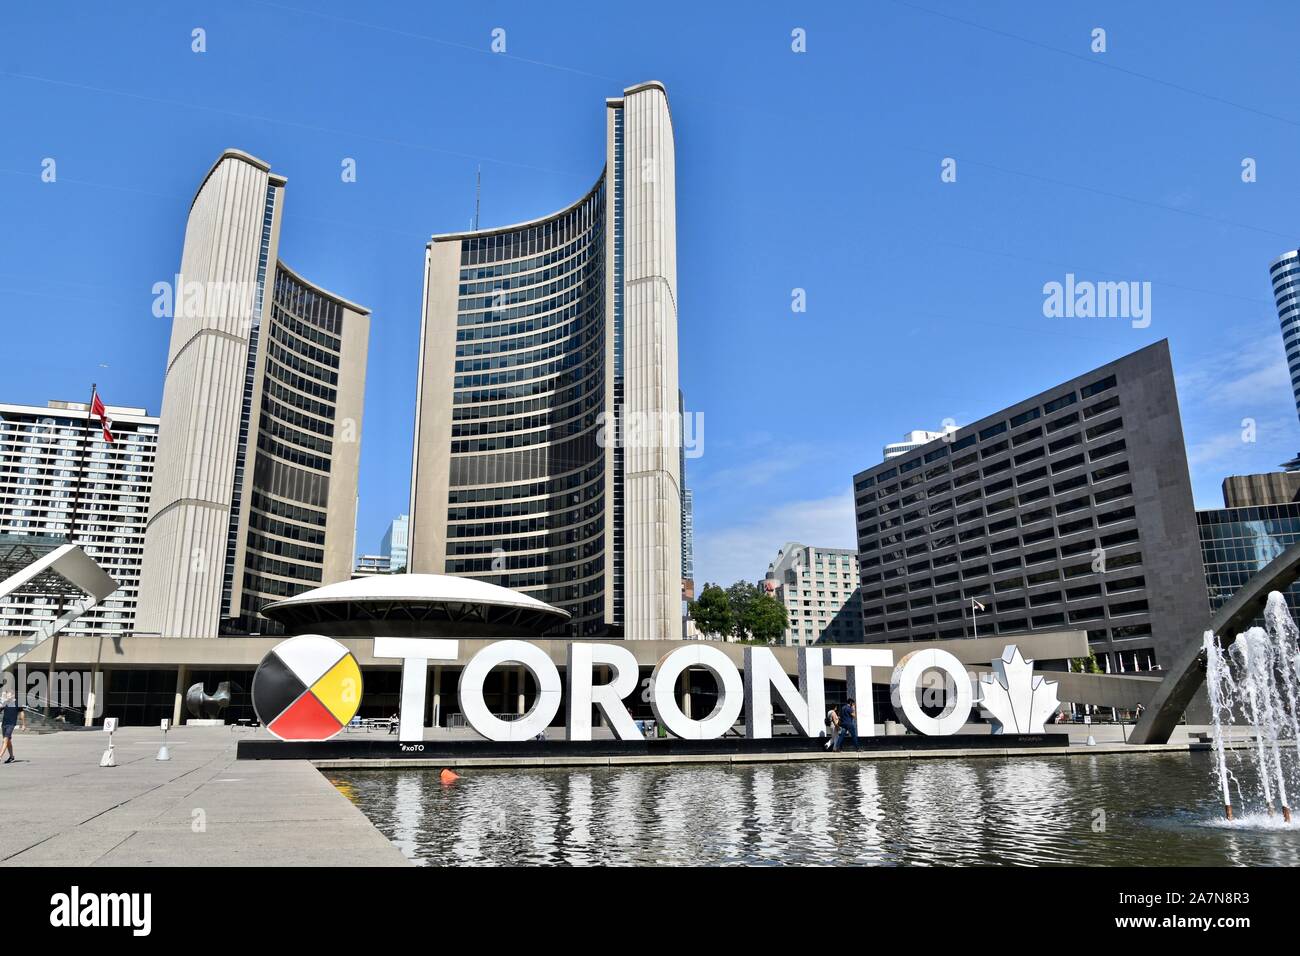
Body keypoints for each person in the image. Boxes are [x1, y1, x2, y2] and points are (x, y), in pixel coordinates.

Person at [1, 691, 25, 764]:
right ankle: (11, 757)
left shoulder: (18, 703)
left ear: (13, 695)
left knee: (5, 740)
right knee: (8, 741)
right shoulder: (6, 703)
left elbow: (22, 713)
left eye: (9, 696)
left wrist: (23, 724)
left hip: (11, 724)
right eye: (7, 696)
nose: (8, 697)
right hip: (4, 724)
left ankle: (0, 755)